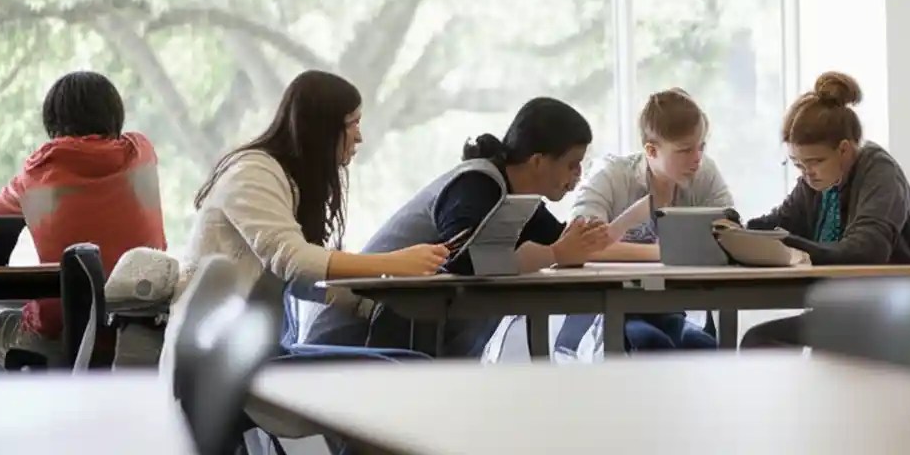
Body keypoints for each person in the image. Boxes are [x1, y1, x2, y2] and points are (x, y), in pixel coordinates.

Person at [303, 97, 611, 358]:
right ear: (538, 161)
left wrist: (577, 244)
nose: (578, 175)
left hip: (404, 337)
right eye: (572, 164)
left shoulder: (519, 199)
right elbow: (464, 262)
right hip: (360, 335)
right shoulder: (477, 184)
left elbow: (566, 241)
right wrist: (555, 253)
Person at [175, 70, 449, 345]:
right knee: (397, 366)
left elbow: (304, 280)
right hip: (208, 347)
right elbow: (295, 261)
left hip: (242, 347)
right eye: (353, 124)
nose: (359, 137)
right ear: (322, 129)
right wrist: (396, 264)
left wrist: (374, 304)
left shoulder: (285, 180)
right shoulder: (251, 173)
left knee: (402, 360)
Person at [736, 72, 910, 354]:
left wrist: (785, 242)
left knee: (767, 340)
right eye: (798, 164)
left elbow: (865, 251)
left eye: (814, 162)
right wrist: (734, 229)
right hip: (868, 311)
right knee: (770, 340)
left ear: (844, 149)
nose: (806, 173)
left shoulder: (878, 170)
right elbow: (777, 223)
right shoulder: (817, 181)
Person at [0, 71, 166, 370]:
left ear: (52, 122)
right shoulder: (143, 154)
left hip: (62, 338)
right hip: (141, 336)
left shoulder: (37, 174)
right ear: (116, 115)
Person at [568, 88, 729, 351]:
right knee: (650, 343)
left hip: (670, 309)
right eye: (685, 150)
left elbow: (730, 233)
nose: (697, 158)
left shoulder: (704, 173)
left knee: (703, 346)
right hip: (604, 311)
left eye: (701, 145)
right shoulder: (611, 175)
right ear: (651, 150)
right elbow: (578, 244)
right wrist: (667, 252)